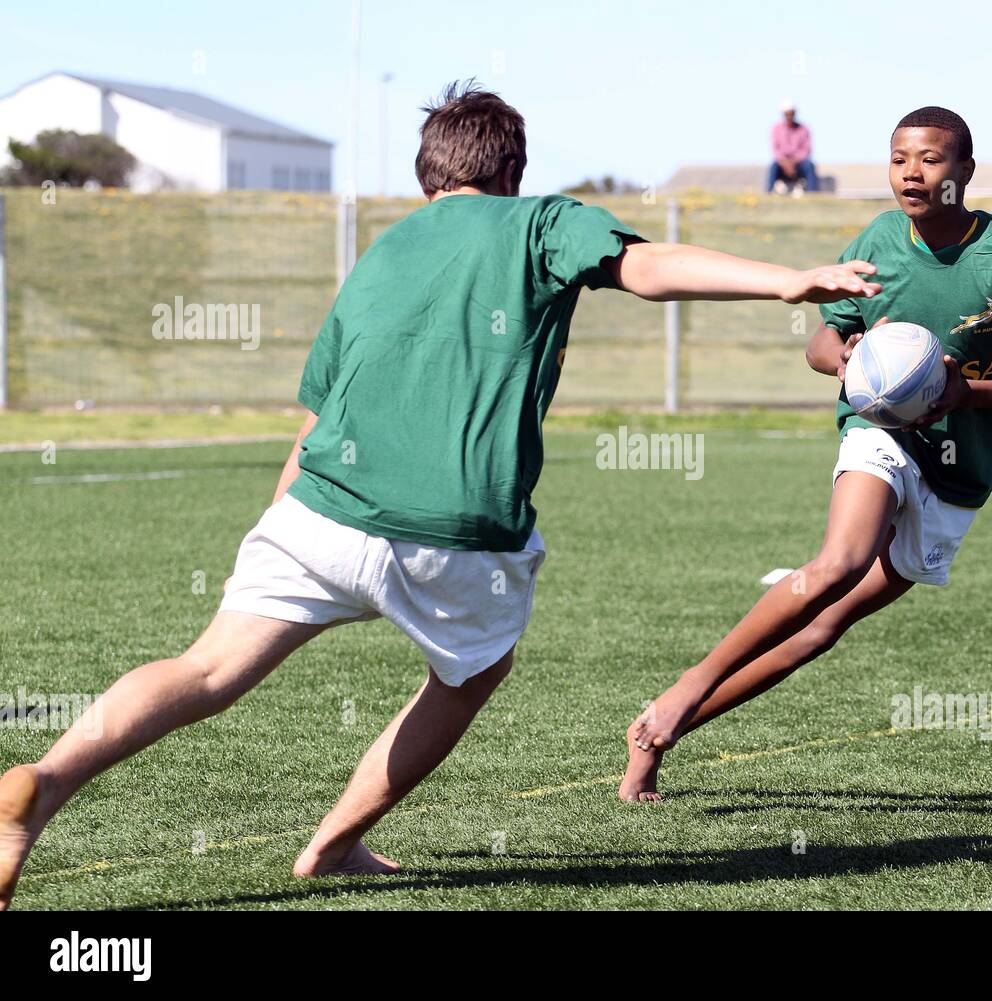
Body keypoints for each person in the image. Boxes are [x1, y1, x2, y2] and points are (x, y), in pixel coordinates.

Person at [0, 81, 883, 909]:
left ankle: (43, 784)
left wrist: (281, 514)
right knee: (470, 671)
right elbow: (646, 267)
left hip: (318, 509)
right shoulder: (538, 221)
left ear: (430, 172)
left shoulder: (382, 252)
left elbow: (317, 415)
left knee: (205, 670)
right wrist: (785, 279)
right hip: (455, 531)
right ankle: (334, 840)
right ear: (509, 172)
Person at [620, 106, 992, 802]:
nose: (911, 172)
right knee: (838, 562)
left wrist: (967, 393)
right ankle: (690, 683)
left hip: (960, 472)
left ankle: (658, 731)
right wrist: (850, 362)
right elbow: (820, 343)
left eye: (930, 158)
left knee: (821, 629)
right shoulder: (876, 239)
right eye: (899, 158)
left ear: (965, 171)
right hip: (881, 432)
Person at [768, 100, 818, 194]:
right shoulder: (776, 128)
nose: (789, 116)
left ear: (795, 114)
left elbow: (806, 150)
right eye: (787, 114)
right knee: (773, 166)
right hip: (782, 164)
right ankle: (769, 193)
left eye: (791, 113)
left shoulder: (803, 128)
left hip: (799, 164)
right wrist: (785, 163)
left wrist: (794, 162)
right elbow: (776, 150)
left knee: (809, 166)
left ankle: (813, 193)